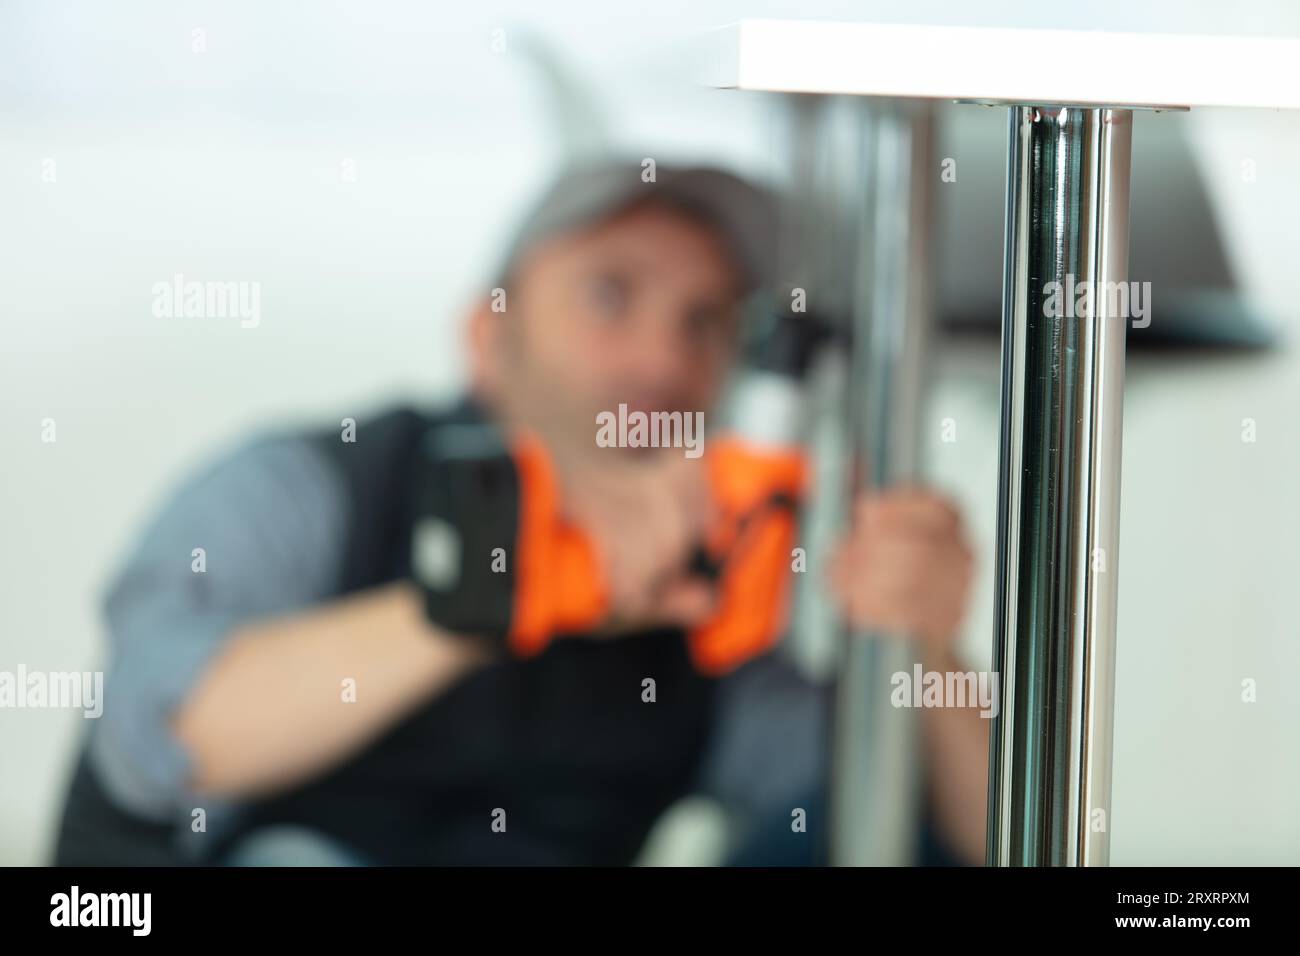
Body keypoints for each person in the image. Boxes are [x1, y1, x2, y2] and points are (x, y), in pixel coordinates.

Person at [53, 159, 985, 866]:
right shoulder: (307, 487)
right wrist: (500, 589)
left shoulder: (699, 604)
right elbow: (152, 736)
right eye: (610, 295)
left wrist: (925, 646)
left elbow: (961, 832)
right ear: (488, 337)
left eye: (703, 322)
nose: (661, 363)